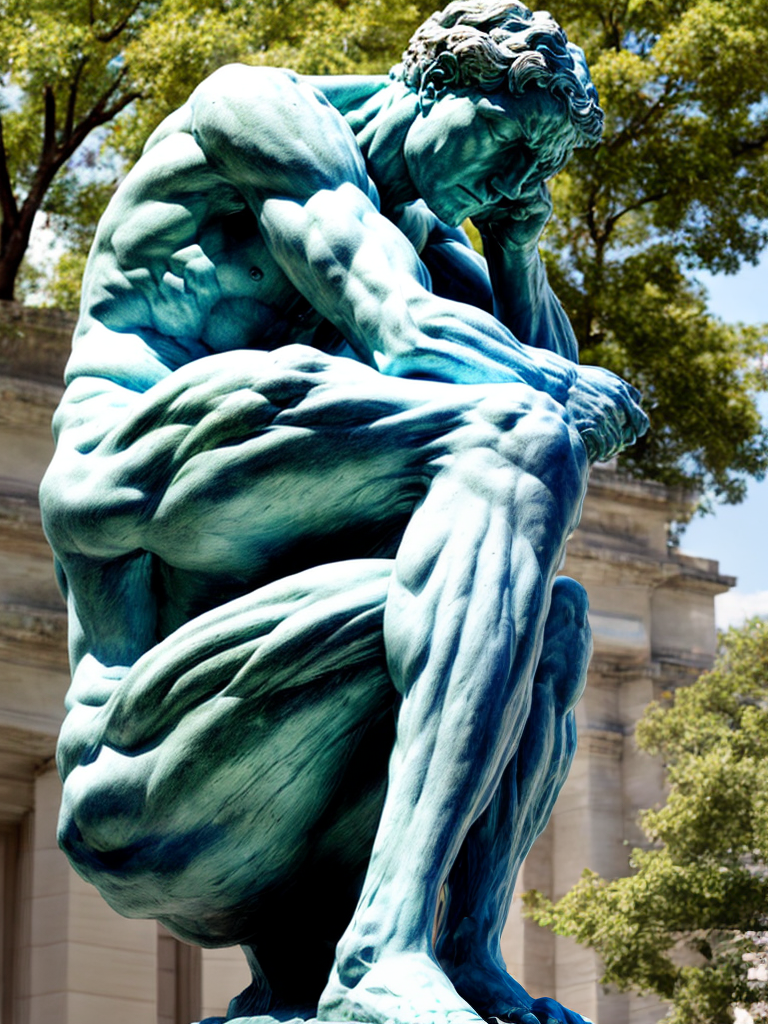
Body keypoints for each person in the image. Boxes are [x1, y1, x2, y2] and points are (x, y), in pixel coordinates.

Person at [39, 3, 648, 1023]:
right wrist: (542, 390)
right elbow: (403, 330)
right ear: (433, 85)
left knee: (547, 622)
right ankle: (384, 948)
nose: (501, 183)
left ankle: (450, 950)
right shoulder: (261, 114)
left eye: (526, 172)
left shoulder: (438, 248)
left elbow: (563, 427)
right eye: (501, 145)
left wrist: (517, 246)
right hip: (137, 732)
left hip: (252, 736)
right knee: (509, 437)